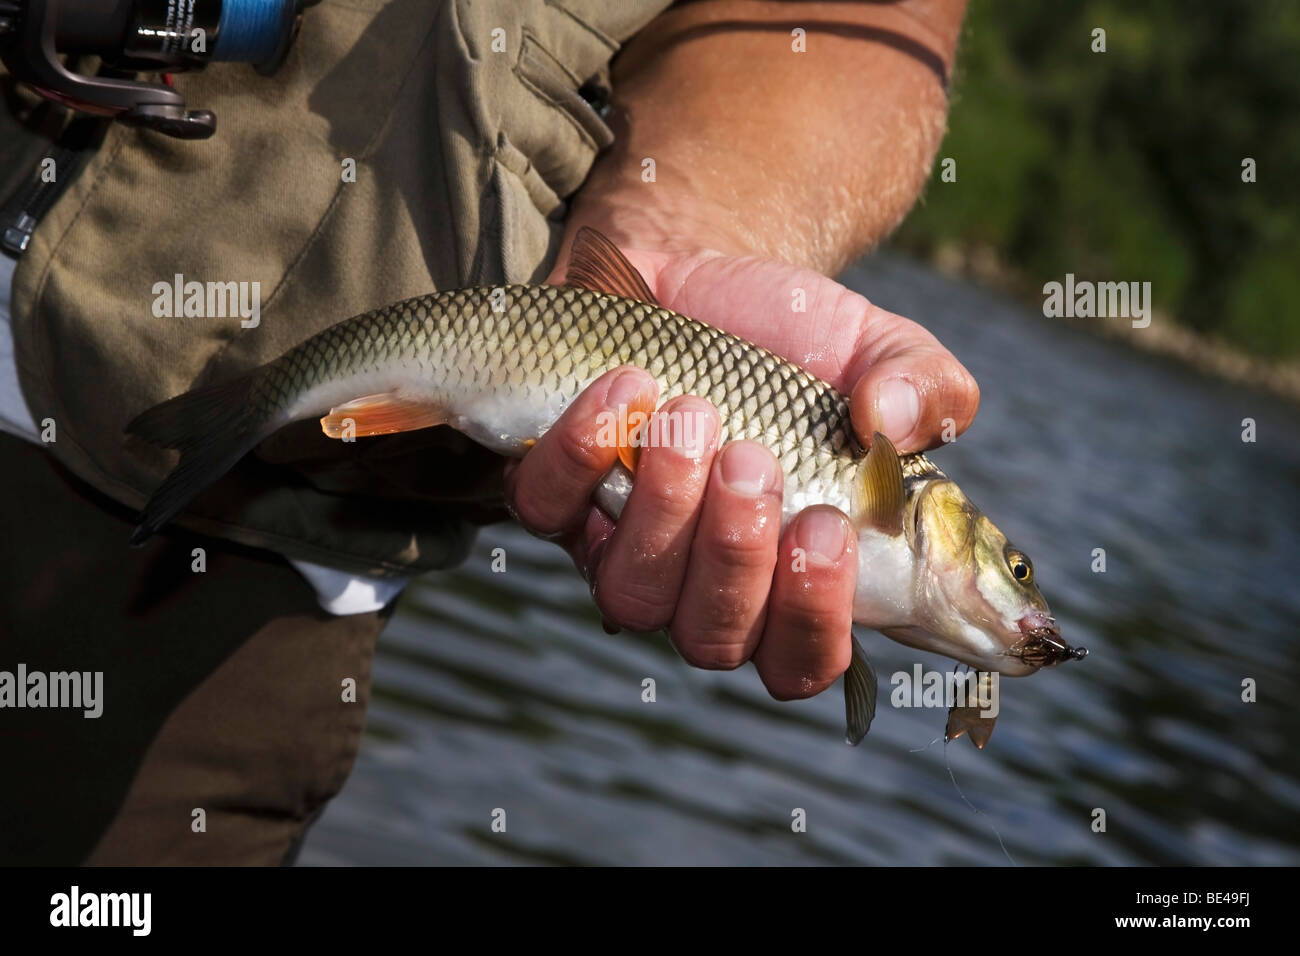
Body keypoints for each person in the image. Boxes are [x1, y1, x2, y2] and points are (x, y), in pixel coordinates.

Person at [0, 0, 975, 864]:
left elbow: (874, 19)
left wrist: (675, 220)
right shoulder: (894, 495)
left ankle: (250, 410)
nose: (1015, 600)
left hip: (248, 551)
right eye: (1012, 572)